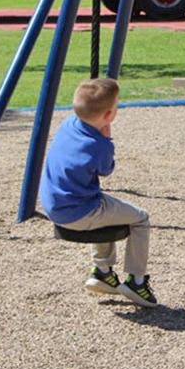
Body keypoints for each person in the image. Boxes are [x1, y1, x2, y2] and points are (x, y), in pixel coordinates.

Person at [39, 77, 157, 307]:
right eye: (116, 107)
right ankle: (137, 281)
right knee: (140, 218)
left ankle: (103, 272)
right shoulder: (100, 145)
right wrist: (107, 138)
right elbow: (107, 170)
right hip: (80, 212)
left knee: (107, 206)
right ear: (107, 116)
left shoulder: (68, 124)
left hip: (53, 204)